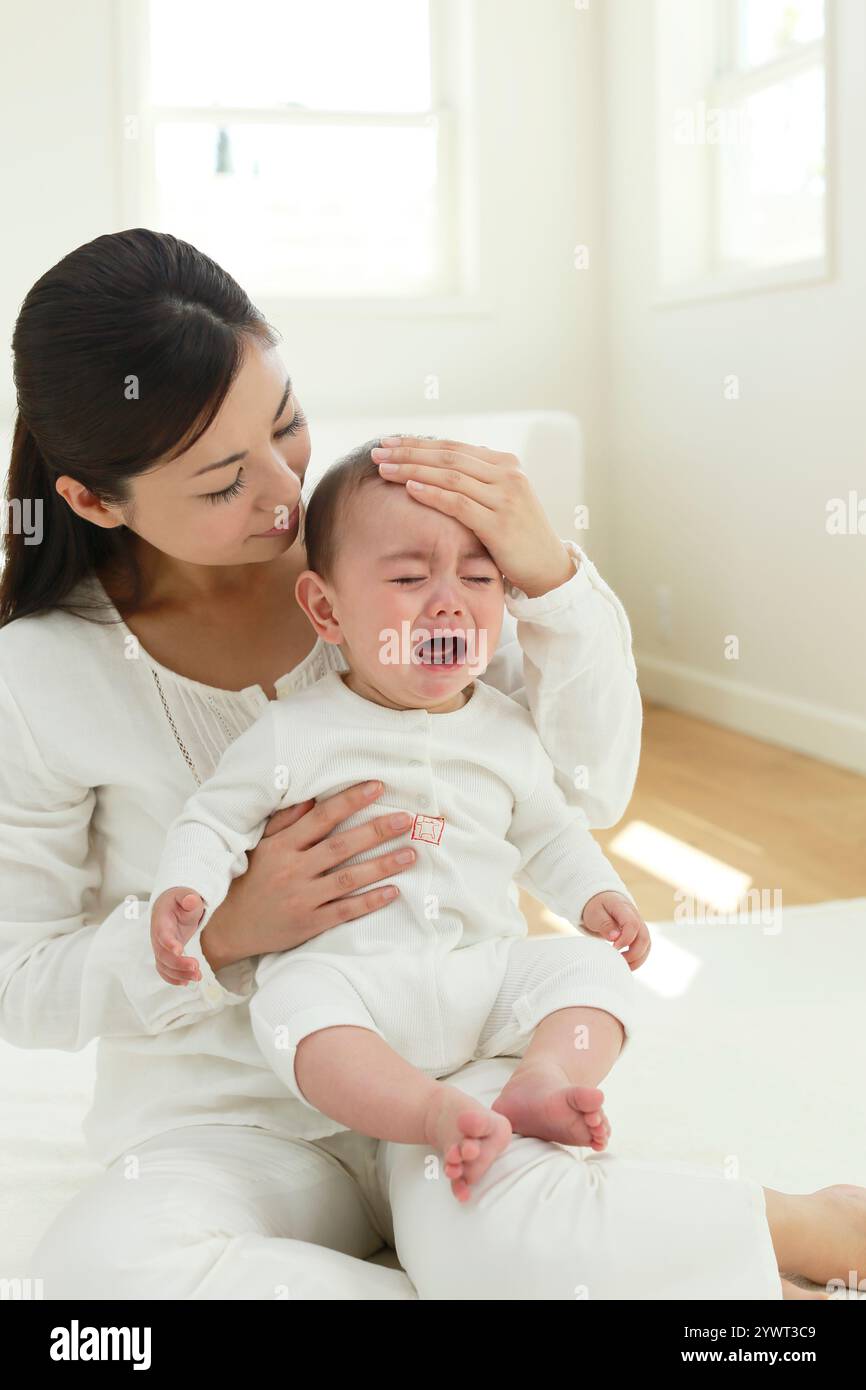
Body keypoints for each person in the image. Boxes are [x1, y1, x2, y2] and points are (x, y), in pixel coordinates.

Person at [1, 229, 860, 1299]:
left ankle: (799, 1228)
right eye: (224, 481)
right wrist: (221, 933)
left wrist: (550, 579)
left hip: (454, 1069)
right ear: (92, 500)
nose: (281, 497)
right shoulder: (41, 674)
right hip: (226, 1128)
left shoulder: (385, 558)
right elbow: (19, 982)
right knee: (102, 1279)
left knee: (503, 1232)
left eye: (288, 427)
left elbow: (585, 789)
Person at [149, 442, 651, 1198]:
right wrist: (185, 892)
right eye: (411, 578)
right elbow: (212, 820)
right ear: (326, 608)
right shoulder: (299, 731)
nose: (449, 600)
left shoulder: (508, 730)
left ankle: (543, 1078)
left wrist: (596, 897)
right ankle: (429, 1112)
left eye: (480, 578)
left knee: (594, 972)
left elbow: (549, 831)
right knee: (293, 1012)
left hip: (481, 978)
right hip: (352, 983)